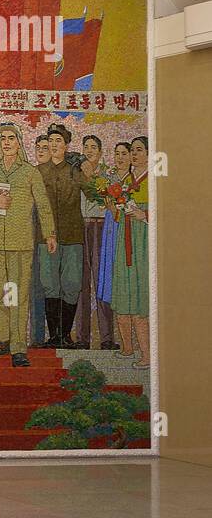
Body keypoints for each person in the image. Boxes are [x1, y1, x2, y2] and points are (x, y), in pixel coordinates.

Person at [0, 122, 57, 368]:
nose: (7, 142)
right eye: (3, 138)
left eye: (11, 138)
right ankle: (5, 338)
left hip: (20, 243)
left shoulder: (30, 172)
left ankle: (19, 348)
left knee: (16, 297)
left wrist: (50, 234)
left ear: (19, 142)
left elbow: (42, 205)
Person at [36, 123, 89, 348]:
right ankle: (54, 336)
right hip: (45, 236)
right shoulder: (38, 171)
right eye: (51, 141)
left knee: (72, 283)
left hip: (72, 236)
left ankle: (66, 335)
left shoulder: (75, 170)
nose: (54, 144)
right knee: (50, 284)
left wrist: (88, 166)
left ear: (67, 146)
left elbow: (95, 192)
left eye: (59, 141)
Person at [109, 136, 150, 369]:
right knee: (123, 290)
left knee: (139, 295)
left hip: (142, 241)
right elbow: (117, 212)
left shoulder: (154, 178)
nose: (134, 155)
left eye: (138, 150)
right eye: (132, 150)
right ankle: (127, 348)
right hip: (124, 238)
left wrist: (145, 215)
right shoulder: (128, 180)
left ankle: (147, 355)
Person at [75, 134, 115, 349]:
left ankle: (107, 338)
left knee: (101, 283)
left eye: (93, 147)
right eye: (86, 147)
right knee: (82, 284)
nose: (89, 150)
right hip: (81, 227)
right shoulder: (77, 171)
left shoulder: (108, 174)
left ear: (100, 151)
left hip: (101, 228)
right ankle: (82, 338)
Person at [96, 140, 132, 349]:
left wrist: (115, 211)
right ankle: (110, 337)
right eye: (117, 153)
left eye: (124, 154)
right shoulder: (108, 179)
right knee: (108, 277)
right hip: (110, 230)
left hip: (125, 229)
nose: (120, 157)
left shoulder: (133, 181)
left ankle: (125, 341)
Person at [29, 134, 53, 347]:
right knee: (35, 288)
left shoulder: (59, 174)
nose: (41, 150)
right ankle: (37, 337)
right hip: (32, 241)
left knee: (53, 287)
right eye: (38, 147)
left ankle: (57, 335)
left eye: (45, 147)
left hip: (52, 240)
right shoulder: (31, 173)